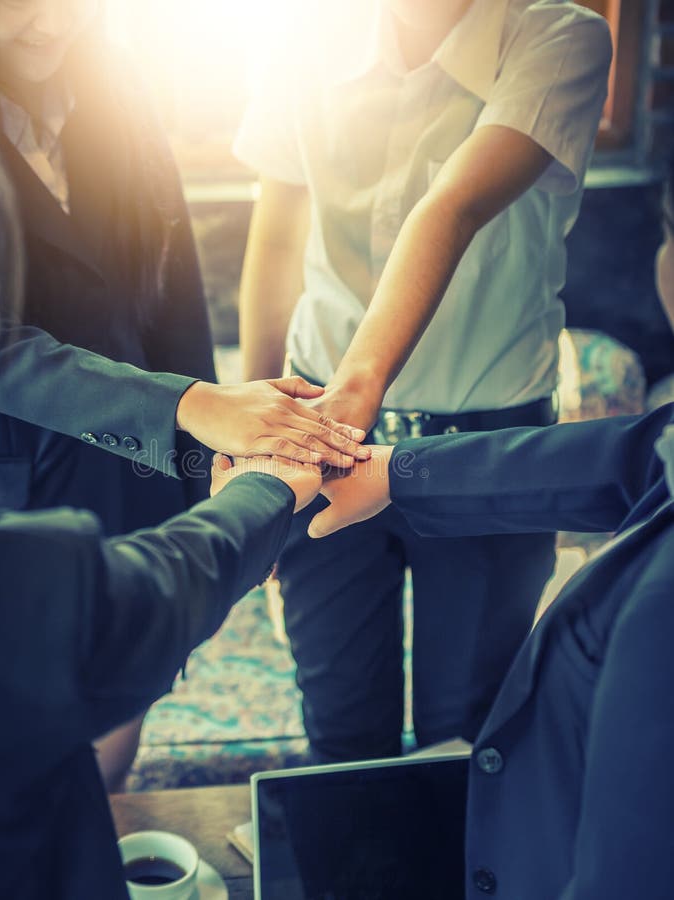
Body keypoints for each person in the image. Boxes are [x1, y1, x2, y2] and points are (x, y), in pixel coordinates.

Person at [0, 0, 368, 789]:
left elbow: (171, 302)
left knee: (110, 738)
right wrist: (188, 406)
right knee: (5, 776)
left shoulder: (120, 96)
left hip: (131, 479)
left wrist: (216, 446)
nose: (49, 18)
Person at [239, 158, 672, 899]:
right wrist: (391, 470)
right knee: (340, 733)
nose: (661, 258)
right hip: (366, 466)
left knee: (465, 721)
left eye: (668, 232)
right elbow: (630, 455)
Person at [234, 0, 613, 761]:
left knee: (466, 736)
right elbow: (276, 239)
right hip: (323, 429)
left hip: (486, 450)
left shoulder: (561, 36)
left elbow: (455, 206)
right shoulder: (307, 33)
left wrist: (352, 395)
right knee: (340, 735)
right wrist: (255, 438)